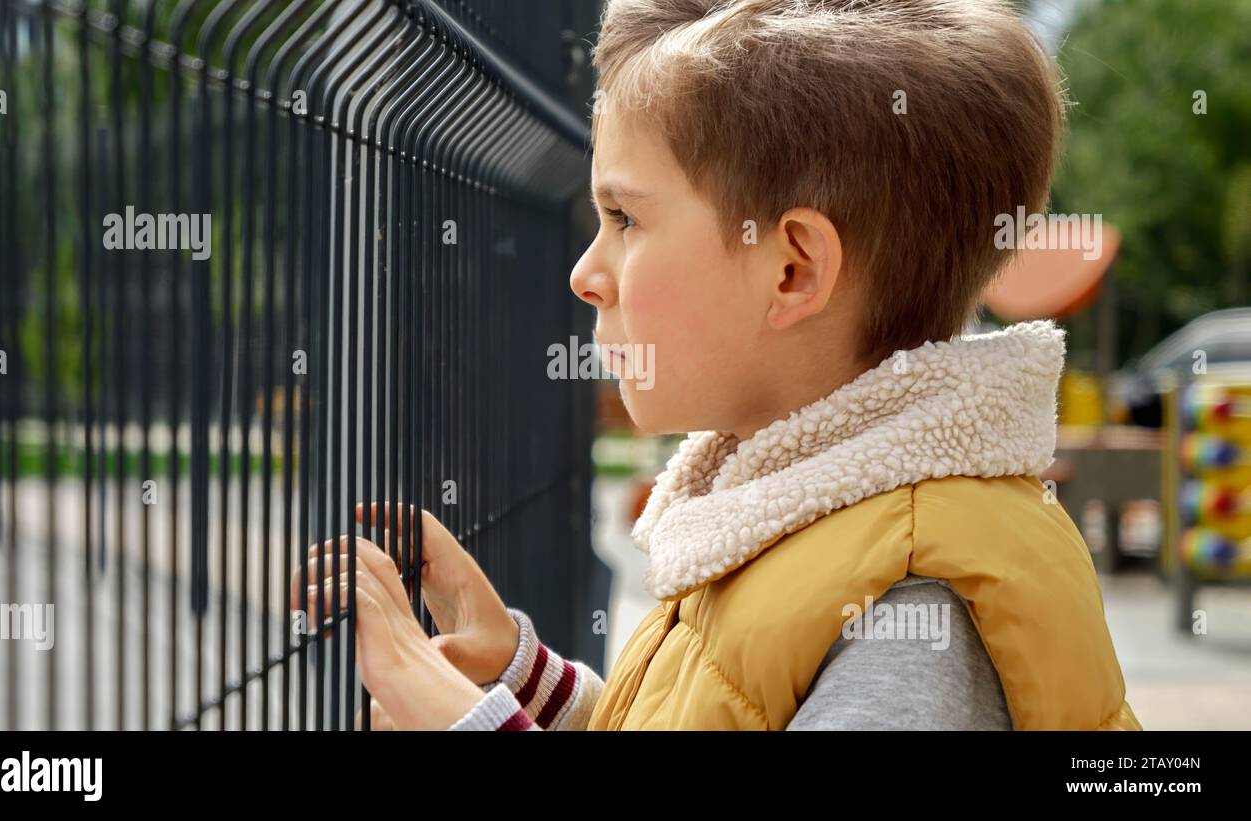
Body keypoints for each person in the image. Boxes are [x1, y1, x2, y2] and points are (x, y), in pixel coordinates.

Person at [295, 0, 1142, 731]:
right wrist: (528, 680)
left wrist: (450, 708)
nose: (586, 274)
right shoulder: (810, 511)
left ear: (792, 270)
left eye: (624, 217)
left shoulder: (916, 614)